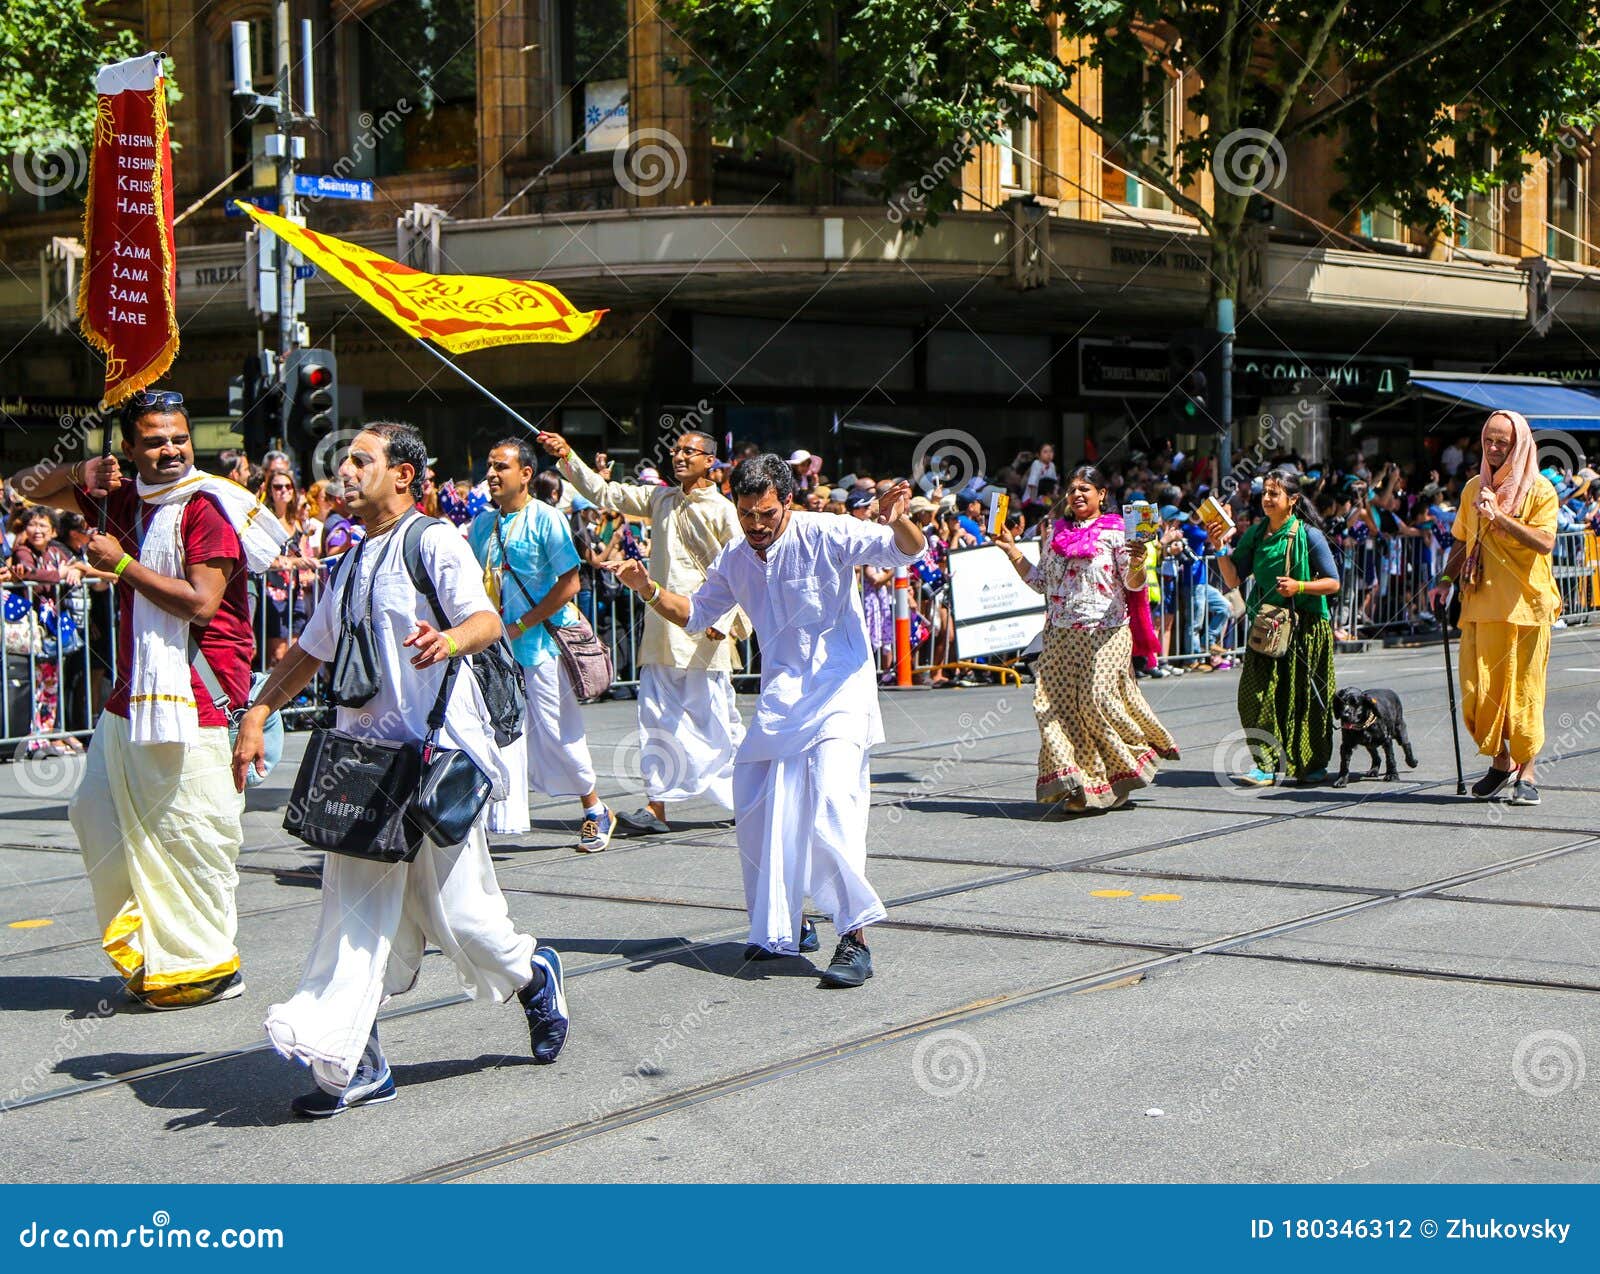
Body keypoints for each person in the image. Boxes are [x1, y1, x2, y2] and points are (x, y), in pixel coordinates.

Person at [234, 422, 568, 1117]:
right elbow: (309, 651)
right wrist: (260, 711)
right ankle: (352, 1061)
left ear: (404, 476)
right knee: (349, 918)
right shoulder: (353, 561)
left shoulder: (433, 540)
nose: (346, 470)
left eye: (362, 460)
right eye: (345, 460)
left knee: (465, 922)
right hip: (364, 773)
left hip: (432, 763)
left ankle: (534, 976)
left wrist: (447, 639)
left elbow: (485, 622)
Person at [607, 454, 926, 987]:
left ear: (788, 503)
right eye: (748, 513)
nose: (757, 525)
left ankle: (854, 938)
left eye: (767, 514)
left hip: (841, 691)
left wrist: (898, 519)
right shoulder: (736, 556)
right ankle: (788, 923)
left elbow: (904, 550)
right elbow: (696, 614)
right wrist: (646, 588)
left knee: (831, 804)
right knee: (754, 806)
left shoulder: (827, 531)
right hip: (782, 698)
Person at [11, 389, 281, 1009]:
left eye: (179, 438)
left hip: (203, 696)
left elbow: (201, 601)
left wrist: (124, 565)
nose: (170, 449)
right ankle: (152, 951)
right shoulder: (120, 495)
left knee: (189, 834)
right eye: (155, 440)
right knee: (95, 816)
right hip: (129, 699)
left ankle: (205, 967)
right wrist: (77, 473)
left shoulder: (206, 506)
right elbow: (24, 484)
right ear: (129, 449)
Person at [541, 426, 747, 834]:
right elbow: (606, 494)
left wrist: (725, 622)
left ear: (710, 461)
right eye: (676, 449)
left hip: (705, 632)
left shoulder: (724, 510)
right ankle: (657, 808)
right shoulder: (660, 499)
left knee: (717, 721)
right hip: (660, 630)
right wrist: (567, 456)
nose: (679, 456)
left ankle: (749, 797)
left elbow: (742, 571)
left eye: (690, 451)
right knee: (655, 718)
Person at [995, 466, 1177, 810]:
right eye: (1073, 489)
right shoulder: (1056, 533)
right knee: (1056, 708)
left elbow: (1134, 584)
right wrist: (1010, 550)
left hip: (1106, 634)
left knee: (1098, 701)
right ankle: (1084, 784)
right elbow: (1040, 584)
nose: (1077, 494)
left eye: (1085, 489)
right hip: (1061, 635)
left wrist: (1138, 560)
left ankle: (1122, 772)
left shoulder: (1119, 533)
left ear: (1102, 494)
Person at [468, 439, 615, 853]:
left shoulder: (547, 518)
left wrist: (519, 625)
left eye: (502, 467)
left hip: (541, 648)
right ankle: (481, 820)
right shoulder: (481, 525)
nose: (492, 474)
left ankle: (595, 808)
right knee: (490, 731)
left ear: (526, 474)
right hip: (495, 652)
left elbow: (571, 583)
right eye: (490, 466)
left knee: (555, 732)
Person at [1427, 410, 1560, 806]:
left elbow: (1544, 542)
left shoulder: (1540, 490)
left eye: (1502, 441)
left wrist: (1500, 517)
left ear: (1519, 444)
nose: (1494, 447)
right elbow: (1462, 540)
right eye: (1488, 440)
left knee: (1523, 693)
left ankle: (1528, 770)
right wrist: (1445, 580)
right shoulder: (1473, 489)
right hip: (1480, 604)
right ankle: (1501, 762)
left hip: (1526, 608)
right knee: (1479, 693)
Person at [1211, 467, 1342, 786]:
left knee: (1304, 698)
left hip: (1306, 627)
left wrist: (1299, 587)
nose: (1266, 499)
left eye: (1274, 493)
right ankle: (1265, 764)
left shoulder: (1308, 535)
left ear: (1293, 500)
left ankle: (1310, 763)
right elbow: (1233, 579)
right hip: (1268, 626)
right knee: (1257, 695)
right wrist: (1219, 548)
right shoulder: (1256, 534)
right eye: (1265, 493)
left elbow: (1333, 583)